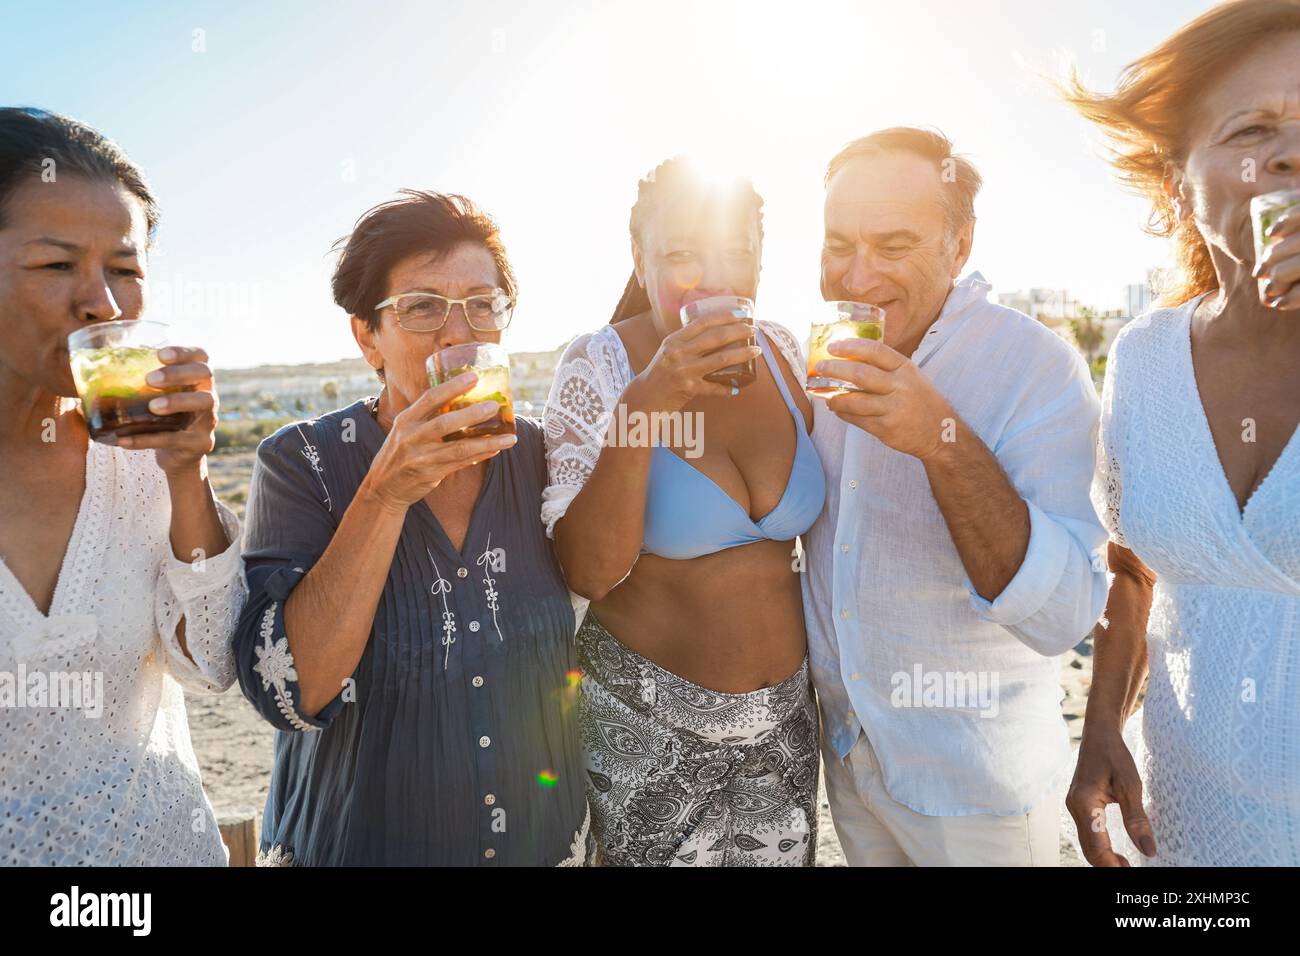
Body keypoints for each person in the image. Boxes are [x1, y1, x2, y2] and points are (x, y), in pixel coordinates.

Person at [233, 190, 588, 866]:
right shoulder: (303, 461)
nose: (459, 335)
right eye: (422, 307)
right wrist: (386, 492)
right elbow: (293, 691)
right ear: (367, 335)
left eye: (482, 304)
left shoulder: (541, 455)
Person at [803, 127, 1108, 866]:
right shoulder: (814, 364)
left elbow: (1065, 616)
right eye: (838, 244)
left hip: (977, 787)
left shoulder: (1035, 366)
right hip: (848, 760)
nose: (857, 276)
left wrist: (940, 439)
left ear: (960, 244)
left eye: (893, 245)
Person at [1064, 0, 1300, 867]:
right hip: (1182, 821)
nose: (1291, 152)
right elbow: (1132, 568)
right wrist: (1100, 727)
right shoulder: (1144, 357)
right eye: (1253, 129)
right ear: (1176, 183)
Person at [543, 157, 823, 866]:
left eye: (737, 252)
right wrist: (645, 404)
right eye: (681, 255)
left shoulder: (784, 351)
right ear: (639, 259)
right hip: (646, 729)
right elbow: (588, 571)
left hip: (785, 727)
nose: (714, 278)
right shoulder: (600, 365)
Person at [0, 108, 244, 865]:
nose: (102, 303)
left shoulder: (139, 460)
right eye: (57, 265)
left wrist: (186, 473)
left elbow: (211, 662)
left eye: (126, 270)